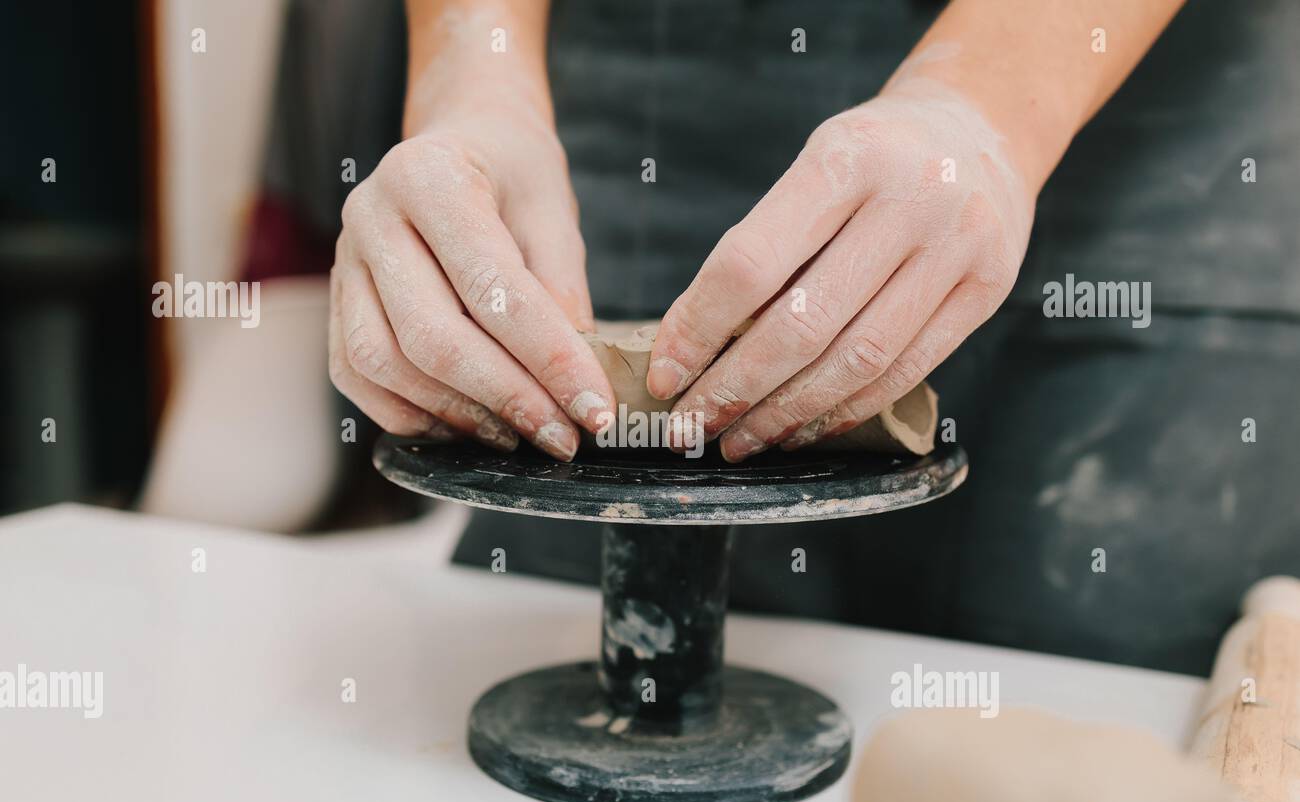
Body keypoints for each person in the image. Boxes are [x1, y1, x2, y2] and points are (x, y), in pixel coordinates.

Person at [304, 0, 1300, 674]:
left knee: (1091, 739)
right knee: (552, 706)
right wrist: (471, 85)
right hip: (648, 102)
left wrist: (987, 104)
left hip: (1145, 124)